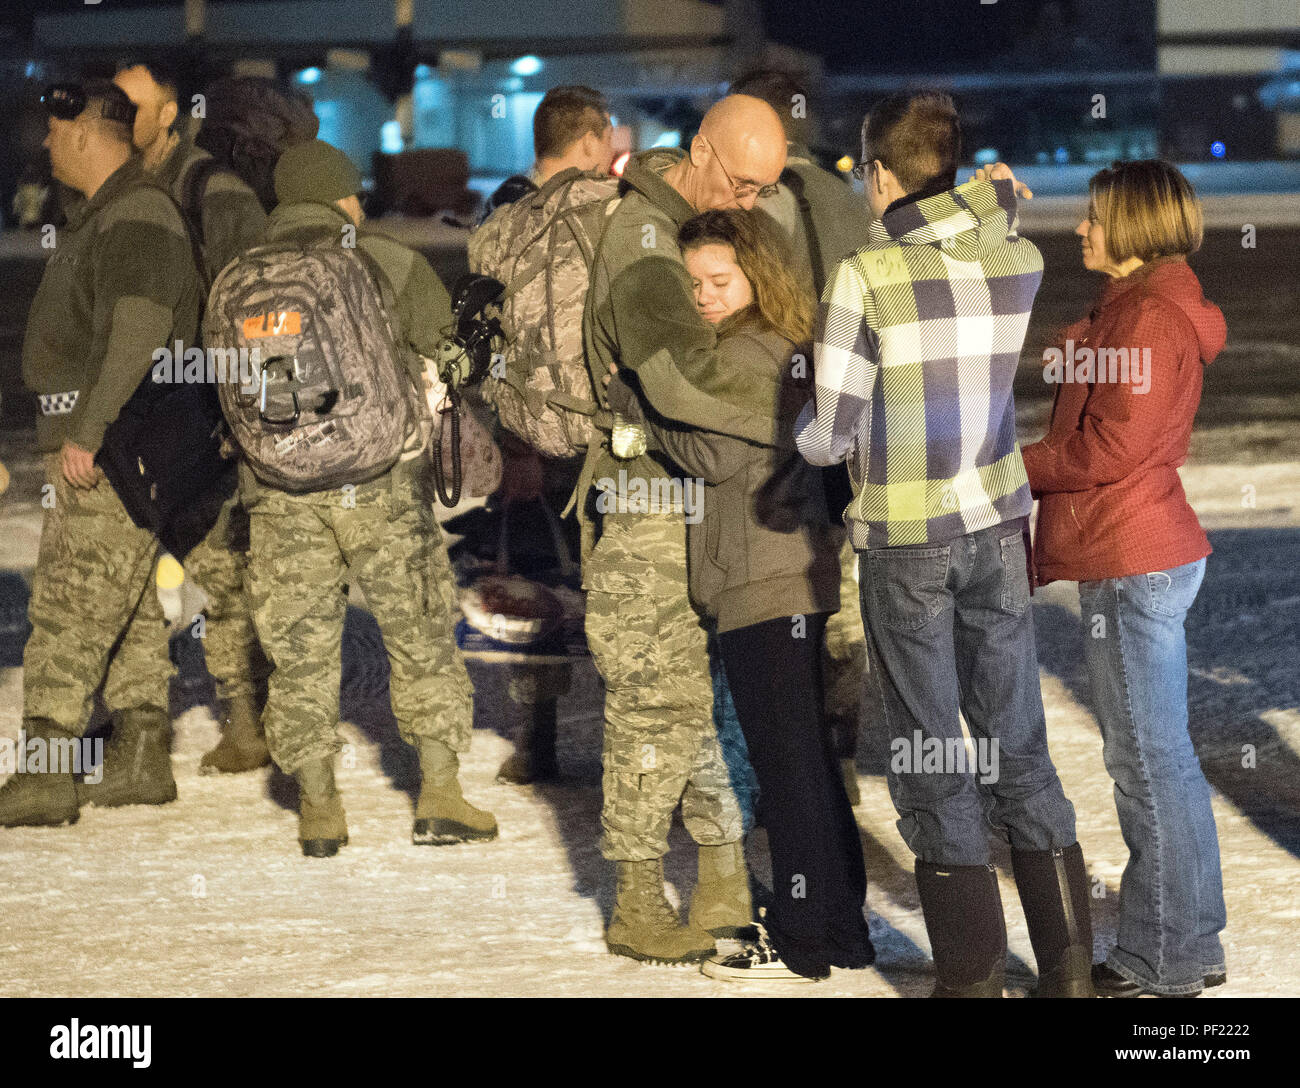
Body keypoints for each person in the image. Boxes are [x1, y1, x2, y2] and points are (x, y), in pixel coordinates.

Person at [795, 90, 1093, 998]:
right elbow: (992, 216)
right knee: (1019, 744)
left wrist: (800, 427)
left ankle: (968, 974)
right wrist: (990, 197)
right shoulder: (1016, 259)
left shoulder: (865, 276)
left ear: (880, 174)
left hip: (907, 537)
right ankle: (1070, 967)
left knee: (931, 751)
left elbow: (831, 431)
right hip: (996, 525)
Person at [609, 209, 873, 981]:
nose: (704, 298)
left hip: (764, 578)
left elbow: (712, 456)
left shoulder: (751, 352)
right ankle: (839, 929)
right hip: (792, 571)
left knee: (787, 769)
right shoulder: (785, 348)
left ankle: (803, 940)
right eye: (690, 285)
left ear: (757, 275)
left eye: (719, 281)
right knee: (810, 765)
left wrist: (636, 404)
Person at [238, 140, 493, 856]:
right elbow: (449, 351)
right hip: (376, 483)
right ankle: (440, 796)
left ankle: (320, 809)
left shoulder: (237, 274)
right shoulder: (383, 258)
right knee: (418, 635)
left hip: (280, 489)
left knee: (300, 649)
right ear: (343, 197)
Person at [580, 94, 789, 965]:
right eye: (742, 184)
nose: (749, 206)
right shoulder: (644, 244)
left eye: (763, 191)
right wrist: (802, 413)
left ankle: (723, 879)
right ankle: (634, 899)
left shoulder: (689, 223)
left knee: (718, 703)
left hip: (701, 508)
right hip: (646, 513)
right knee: (654, 707)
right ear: (700, 151)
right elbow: (678, 381)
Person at [1021, 160, 1228, 999]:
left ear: (1137, 227)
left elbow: (1112, 447)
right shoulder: (1137, 308)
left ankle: (1165, 957)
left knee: (1147, 763)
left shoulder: (1147, 316)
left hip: (1132, 553)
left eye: (1098, 218)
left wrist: (1009, 466)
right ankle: (1191, 943)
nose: (1081, 229)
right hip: (1137, 547)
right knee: (1156, 758)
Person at [0, 80, 200, 827]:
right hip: (120, 443)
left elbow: (140, 323)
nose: (45, 146)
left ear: (83, 132)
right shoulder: (112, 213)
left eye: (53, 132)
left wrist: (86, 430)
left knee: (68, 609)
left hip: (113, 447)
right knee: (130, 605)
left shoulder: (135, 212)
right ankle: (141, 758)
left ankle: (50, 775)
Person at [114, 59, 274, 776]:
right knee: (135, 564)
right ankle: (132, 722)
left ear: (171, 113)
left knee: (217, 561)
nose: (119, 116)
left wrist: (238, 407)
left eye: (134, 105)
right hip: (134, 405)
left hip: (202, 404)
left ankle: (248, 719)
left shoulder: (211, 188)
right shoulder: (123, 189)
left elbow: (256, 297)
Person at [731, 67, 876, 804]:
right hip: (850, 434)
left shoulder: (760, 202)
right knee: (838, 602)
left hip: (770, 436)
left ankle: (781, 772)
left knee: (773, 605)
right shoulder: (845, 200)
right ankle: (839, 756)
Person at [469, 85, 614, 786]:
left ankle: (540, 738)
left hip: (532, 431)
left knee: (541, 583)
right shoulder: (610, 215)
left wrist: (512, 441)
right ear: (588, 142)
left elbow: (485, 341)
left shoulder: (500, 210)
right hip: (600, 438)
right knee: (582, 581)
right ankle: (565, 737)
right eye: (607, 139)